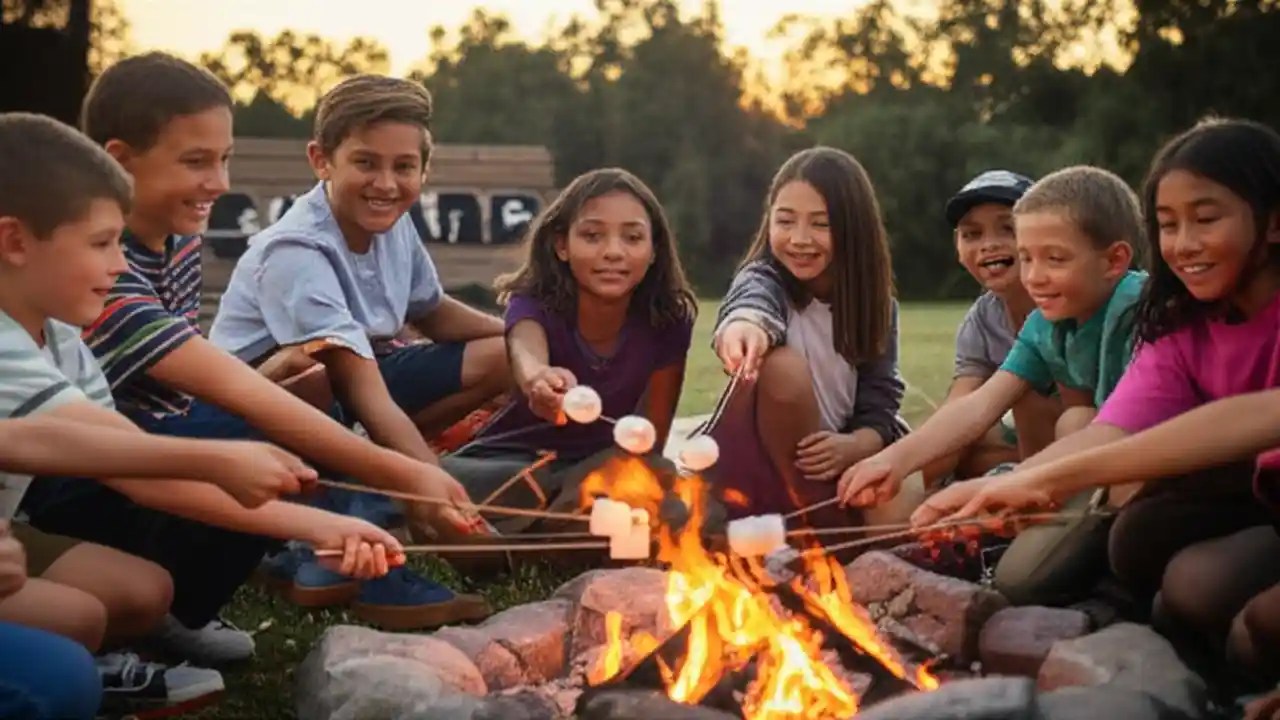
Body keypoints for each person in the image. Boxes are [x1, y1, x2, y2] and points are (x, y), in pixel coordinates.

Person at [15, 54, 450, 667]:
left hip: (125, 447)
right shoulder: (95, 275)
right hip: (80, 477)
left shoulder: (180, 242)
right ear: (120, 159)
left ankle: (180, 606)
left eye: (224, 160)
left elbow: (181, 400)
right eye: (196, 162)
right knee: (274, 423)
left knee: (290, 406)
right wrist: (404, 473)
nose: (219, 183)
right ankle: (159, 611)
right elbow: (209, 396)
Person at [915, 117, 1280, 692]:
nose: (1183, 244)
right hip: (1256, 495)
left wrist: (1035, 479)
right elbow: (1114, 429)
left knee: (1229, 607)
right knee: (1141, 544)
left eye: (1206, 219)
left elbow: (1257, 416)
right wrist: (1006, 484)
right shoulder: (1183, 321)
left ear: (1273, 221)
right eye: (1168, 224)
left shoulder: (1141, 306)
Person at [839, 165, 1147, 606]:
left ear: (1114, 261)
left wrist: (1013, 482)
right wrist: (894, 459)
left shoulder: (1139, 306)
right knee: (1074, 420)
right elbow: (979, 403)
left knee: (1021, 578)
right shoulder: (1044, 325)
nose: (1035, 276)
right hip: (1090, 461)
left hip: (1151, 465)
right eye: (1028, 258)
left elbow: (1131, 426)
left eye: (1053, 259)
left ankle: (1099, 569)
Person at [438, 168, 696, 535]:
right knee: (455, 482)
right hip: (513, 462)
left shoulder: (668, 320)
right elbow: (526, 349)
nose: (612, 252)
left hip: (603, 466)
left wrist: (634, 477)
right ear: (562, 245)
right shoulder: (534, 302)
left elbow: (650, 438)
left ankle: (566, 517)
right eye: (592, 236)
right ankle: (568, 516)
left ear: (654, 250)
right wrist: (538, 379)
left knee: (660, 482)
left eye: (633, 237)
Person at [709, 146, 905, 530]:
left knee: (899, 511)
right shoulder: (764, 280)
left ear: (854, 228)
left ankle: (842, 520)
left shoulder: (877, 306)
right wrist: (743, 327)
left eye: (821, 223)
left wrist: (856, 445)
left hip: (841, 453)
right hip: (769, 460)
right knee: (780, 366)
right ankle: (809, 516)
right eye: (785, 221)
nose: (799, 238)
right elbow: (749, 305)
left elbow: (880, 402)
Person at [921, 170, 1064, 486]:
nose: (989, 245)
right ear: (958, 249)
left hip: (1086, 430)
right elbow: (961, 402)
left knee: (1028, 401)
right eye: (972, 234)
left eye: (1007, 229)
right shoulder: (983, 319)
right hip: (1026, 434)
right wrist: (905, 470)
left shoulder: (1067, 300)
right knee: (964, 443)